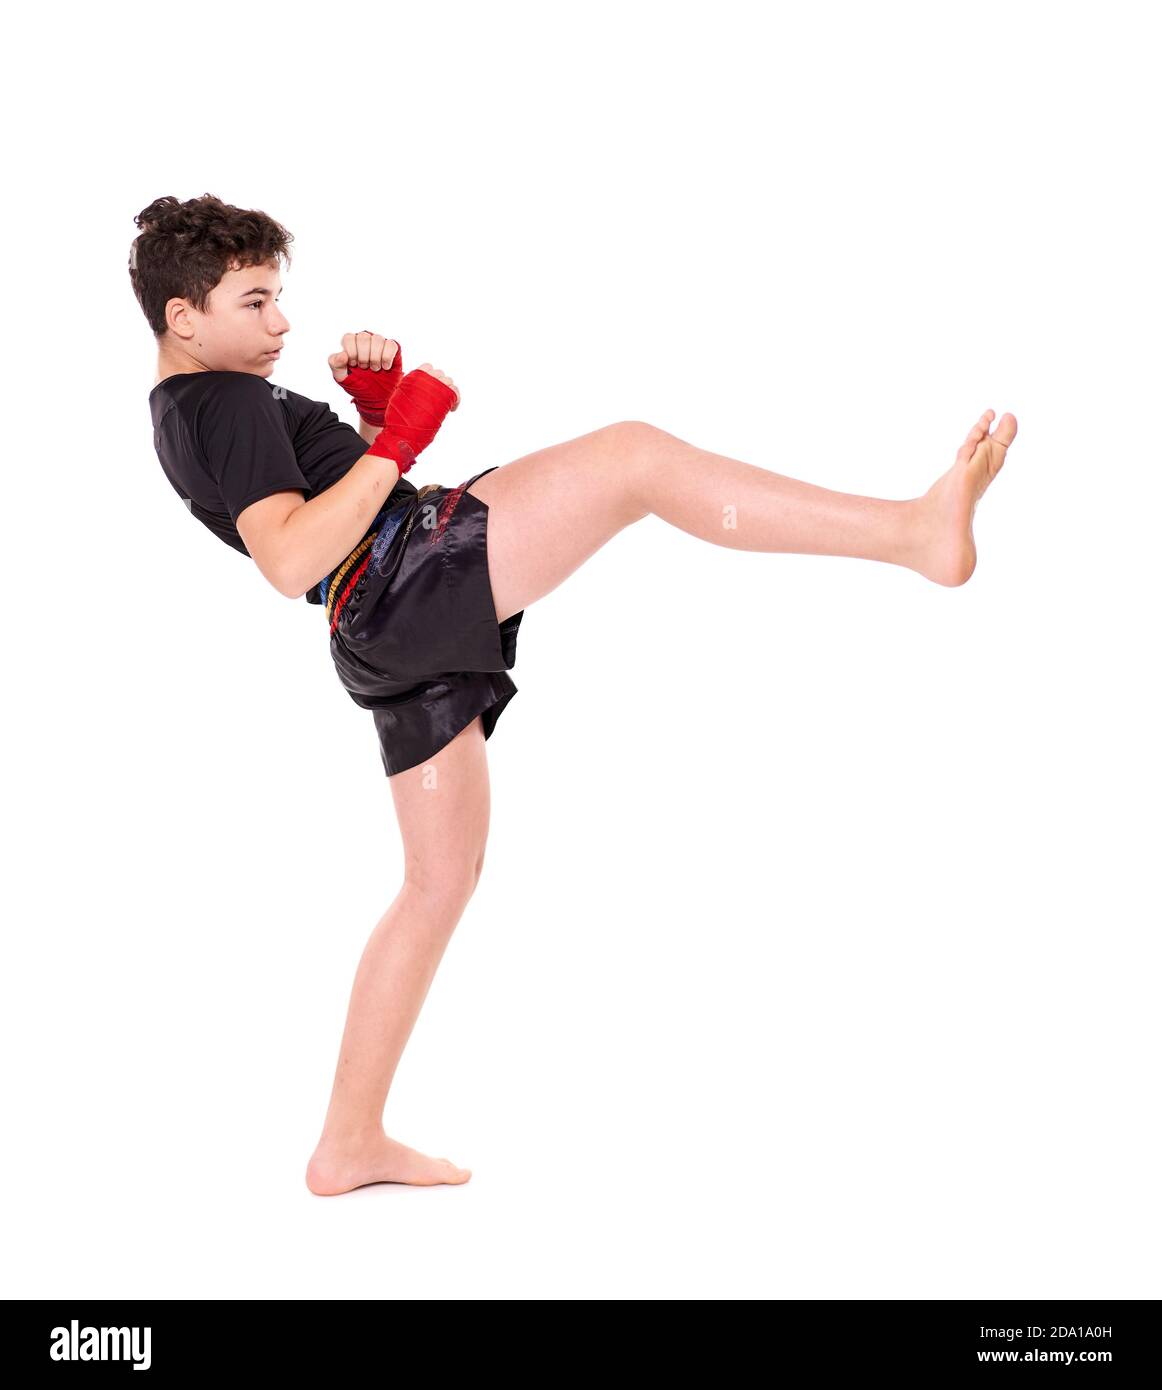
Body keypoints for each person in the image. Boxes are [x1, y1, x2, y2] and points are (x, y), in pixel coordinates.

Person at [130, 194, 1018, 1197]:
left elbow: (310, 528)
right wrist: (394, 447)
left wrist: (373, 420)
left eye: (279, 298)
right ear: (183, 318)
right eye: (255, 303)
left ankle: (348, 1139)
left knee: (436, 883)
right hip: (395, 575)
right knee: (633, 459)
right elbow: (289, 557)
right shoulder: (228, 402)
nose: (281, 324)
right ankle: (909, 533)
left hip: (376, 621)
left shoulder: (189, 409)